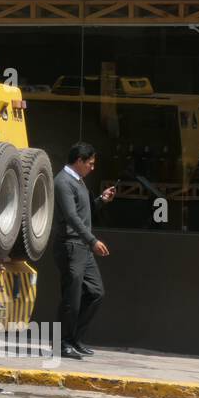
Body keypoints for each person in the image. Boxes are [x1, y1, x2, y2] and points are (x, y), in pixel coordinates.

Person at [53, 141, 115, 360]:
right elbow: (71, 217)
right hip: (71, 245)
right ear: (78, 161)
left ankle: (75, 338)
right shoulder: (63, 182)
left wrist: (101, 200)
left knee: (96, 292)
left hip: (82, 247)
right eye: (90, 163)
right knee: (72, 297)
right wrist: (92, 241)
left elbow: (83, 211)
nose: (92, 167)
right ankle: (62, 343)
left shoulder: (78, 181)